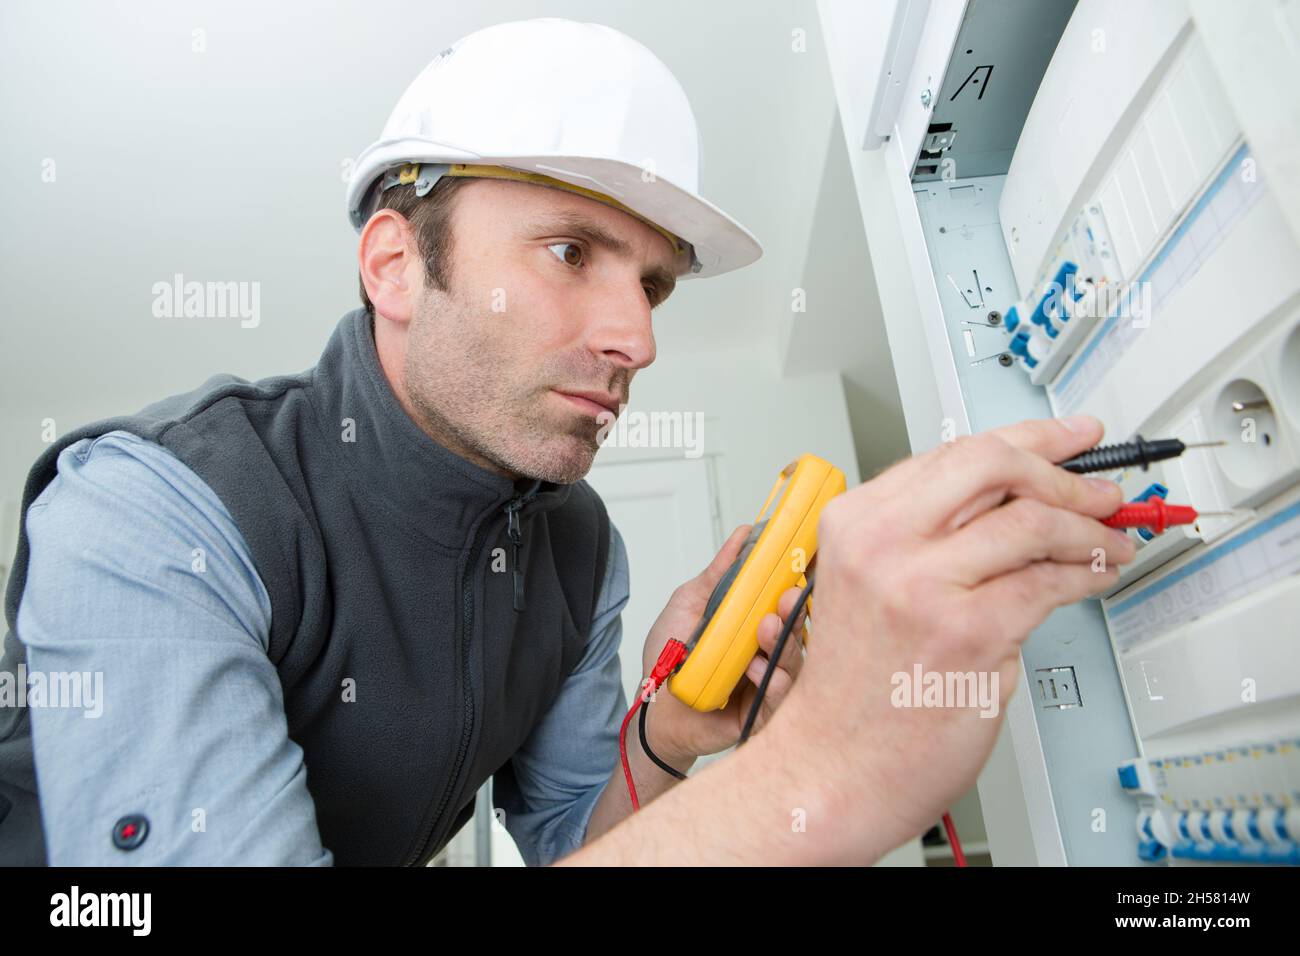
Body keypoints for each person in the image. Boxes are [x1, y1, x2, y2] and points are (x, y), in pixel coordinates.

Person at [0, 17, 1132, 866]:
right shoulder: (149, 511)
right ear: (395, 264)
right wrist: (827, 769)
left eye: (652, 284)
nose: (635, 335)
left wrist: (674, 730)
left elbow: (572, 837)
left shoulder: (579, 545)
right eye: (568, 252)